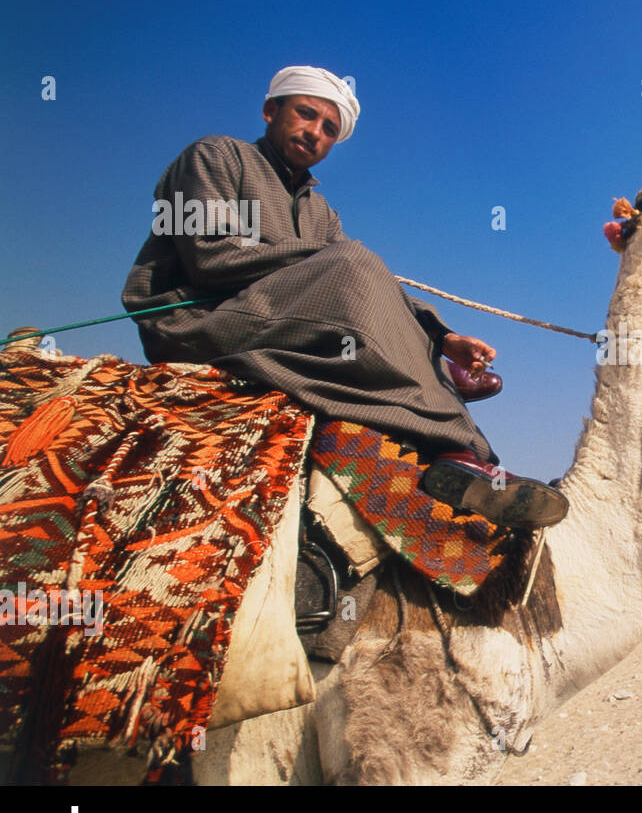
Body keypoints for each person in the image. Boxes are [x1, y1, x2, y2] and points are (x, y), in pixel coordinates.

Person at [121, 65, 567, 528]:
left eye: (329, 129)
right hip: (203, 317)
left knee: (364, 274)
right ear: (271, 111)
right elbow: (210, 258)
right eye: (306, 115)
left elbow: (360, 280)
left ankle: (447, 393)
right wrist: (331, 259)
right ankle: (456, 444)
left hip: (282, 320)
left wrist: (444, 335)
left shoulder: (320, 211)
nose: (315, 132)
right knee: (354, 265)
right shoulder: (215, 156)